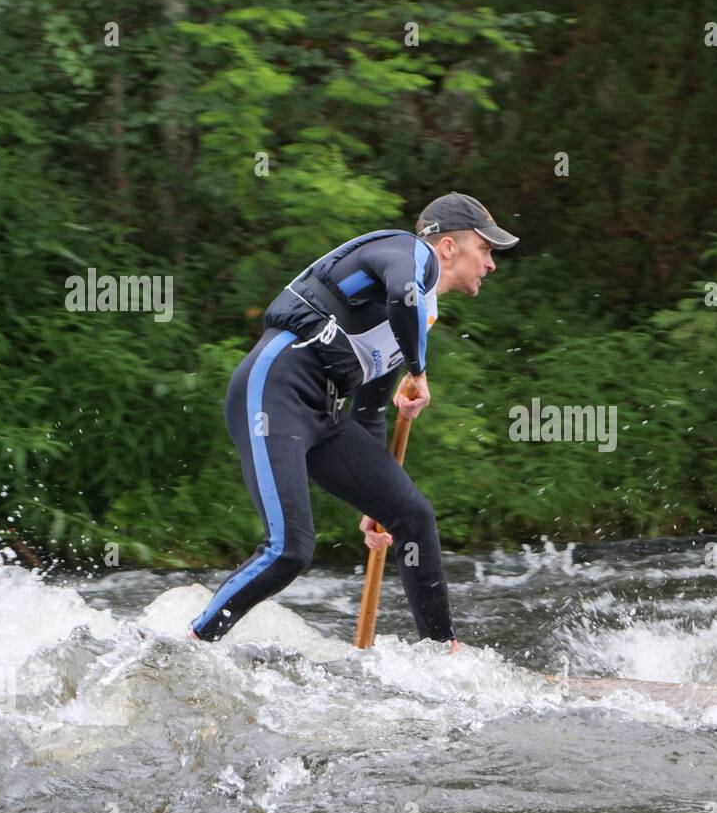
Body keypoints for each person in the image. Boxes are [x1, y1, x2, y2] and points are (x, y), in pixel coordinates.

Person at [188, 192, 519, 650]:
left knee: (412, 516)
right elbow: (402, 292)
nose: (491, 263)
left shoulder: (420, 315)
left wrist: (373, 498)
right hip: (273, 391)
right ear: (447, 246)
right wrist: (419, 371)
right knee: (289, 550)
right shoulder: (411, 253)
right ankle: (188, 644)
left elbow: (369, 410)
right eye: (484, 249)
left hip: (322, 412)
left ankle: (443, 653)